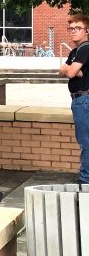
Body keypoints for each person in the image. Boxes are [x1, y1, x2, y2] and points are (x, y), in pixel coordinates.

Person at [59, 11, 89, 185]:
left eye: (78, 28)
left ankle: (85, 181)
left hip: (83, 100)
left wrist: (70, 70)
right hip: (78, 100)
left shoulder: (85, 48)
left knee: (85, 142)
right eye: (71, 28)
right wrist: (70, 69)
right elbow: (61, 70)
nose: (73, 31)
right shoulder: (76, 51)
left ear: (87, 31)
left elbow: (68, 72)